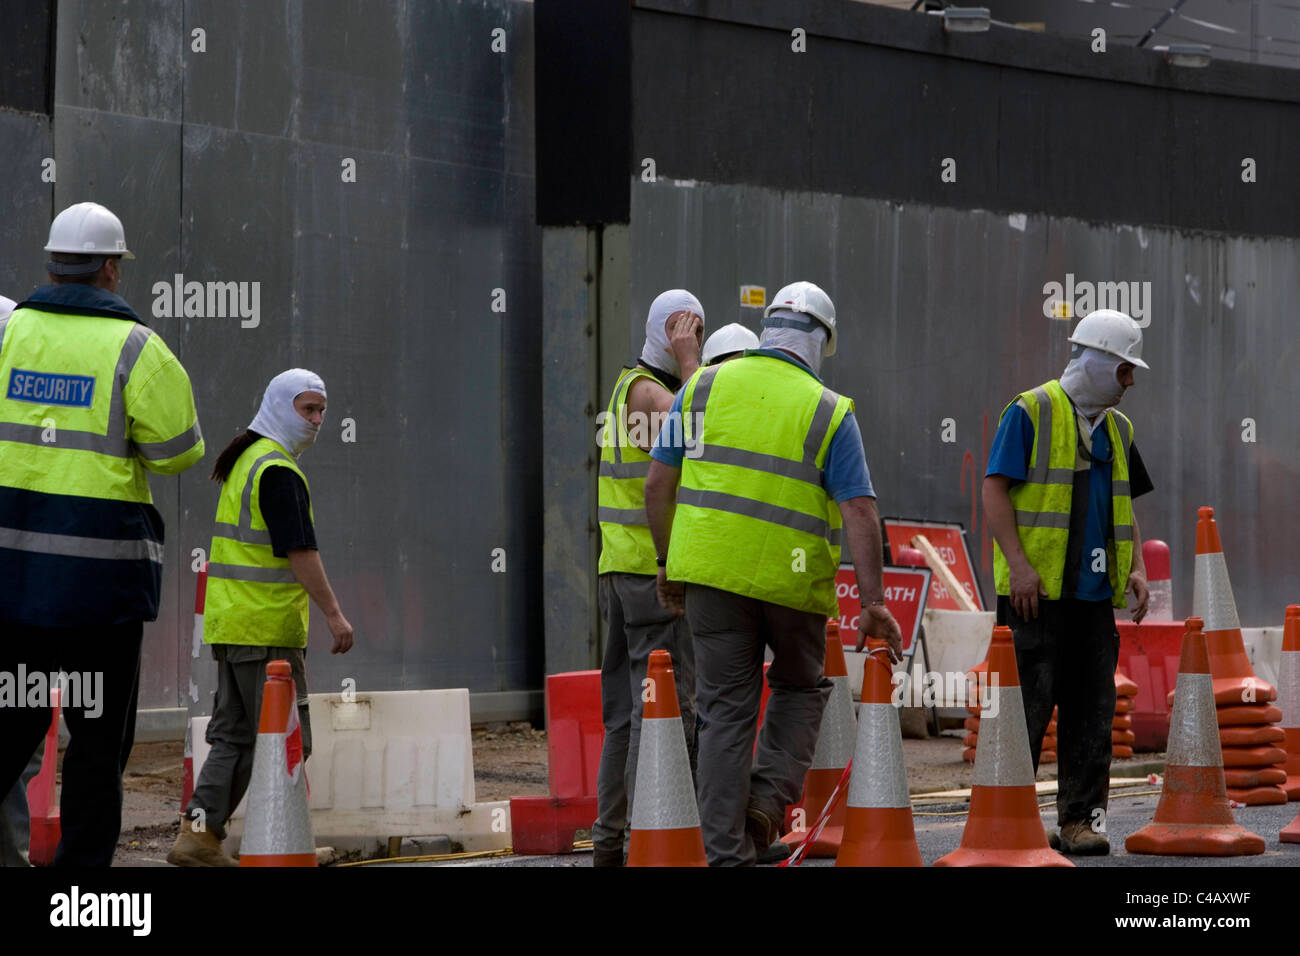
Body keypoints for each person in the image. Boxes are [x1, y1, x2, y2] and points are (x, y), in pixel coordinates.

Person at [645, 280, 902, 866]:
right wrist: (872, 602)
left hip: (709, 578)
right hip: (793, 588)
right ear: (820, 342)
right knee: (796, 687)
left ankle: (725, 855)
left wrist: (667, 563)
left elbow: (658, 486)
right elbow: (859, 510)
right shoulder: (831, 411)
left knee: (723, 713)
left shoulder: (701, 387)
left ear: (768, 330)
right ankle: (765, 802)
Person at [0, 202, 205, 867]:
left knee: (9, 727)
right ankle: (81, 891)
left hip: (13, 582)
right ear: (111, 269)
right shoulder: (137, 348)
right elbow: (178, 449)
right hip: (98, 594)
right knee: (95, 743)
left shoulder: (9, 333)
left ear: (52, 263)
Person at [982, 308, 1152, 855]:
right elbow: (995, 491)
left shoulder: (1119, 430)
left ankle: (1083, 823)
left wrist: (1138, 569)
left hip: (1093, 599)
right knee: (1025, 713)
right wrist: (1021, 566)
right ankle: (1006, 823)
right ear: (1100, 362)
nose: (1129, 384)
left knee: (1091, 714)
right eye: (1125, 370)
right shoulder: (1030, 411)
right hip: (1036, 598)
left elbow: (1125, 503)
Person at [169, 369, 355, 866]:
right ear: (278, 406)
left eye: (321, 410)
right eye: (306, 409)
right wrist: (334, 615)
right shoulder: (277, 470)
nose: (316, 420)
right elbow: (299, 551)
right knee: (286, 742)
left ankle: (199, 837)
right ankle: (275, 842)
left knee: (235, 737)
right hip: (265, 633)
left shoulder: (250, 459)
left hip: (233, 626)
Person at [592, 289, 704, 868]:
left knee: (623, 714)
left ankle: (611, 842)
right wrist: (691, 366)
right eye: (692, 331)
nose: (700, 343)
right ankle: (644, 839)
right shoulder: (650, 392)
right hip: (650, 574)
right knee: (656, 711)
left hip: (621, 569)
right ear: (670, 332)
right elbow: (701, 442)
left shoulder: (626, 386)